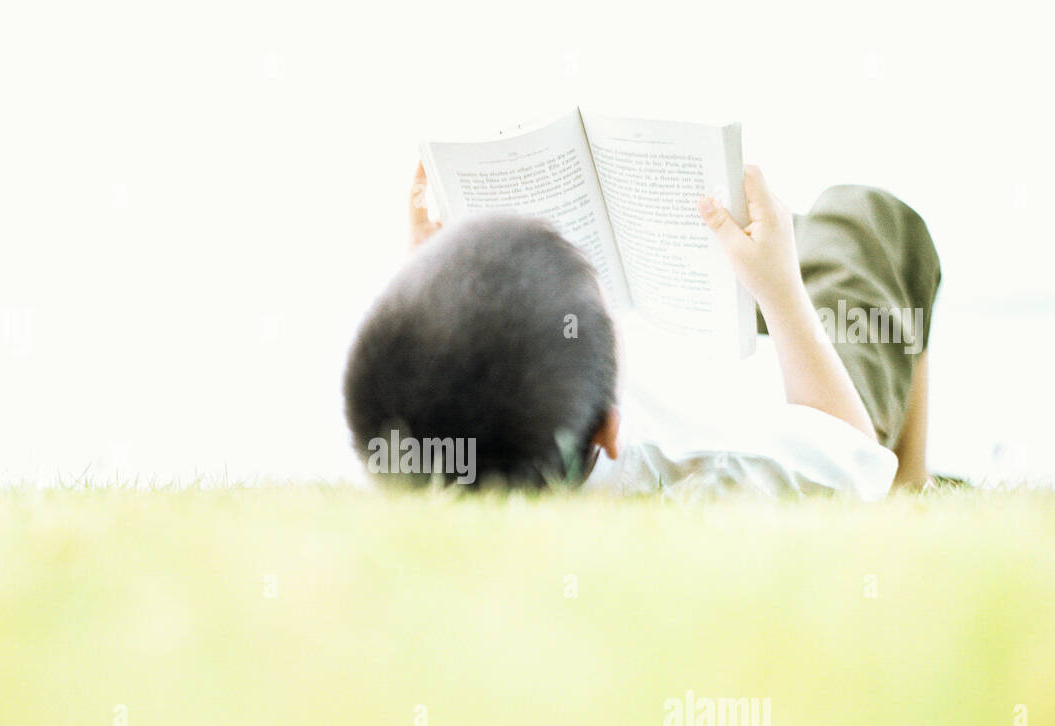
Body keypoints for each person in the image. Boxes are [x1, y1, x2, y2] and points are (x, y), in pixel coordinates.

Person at [342, 162, 940, 498]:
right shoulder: (710, 484)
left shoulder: (432, 463)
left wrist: (436, 274)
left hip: (699, 390)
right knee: (866, 223)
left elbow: (426, 390)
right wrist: (782, 296)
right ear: (609, 428)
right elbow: (852, 453)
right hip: (806, 401)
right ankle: (914, 495)